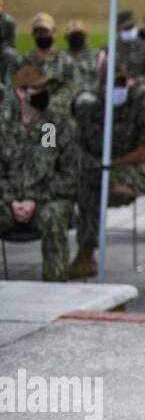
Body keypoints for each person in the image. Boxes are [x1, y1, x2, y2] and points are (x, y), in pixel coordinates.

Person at [67, 62, 145, 280]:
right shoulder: (91, 112)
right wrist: (96, 164)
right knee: (88, 187)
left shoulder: (139, 106)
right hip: (98, 170)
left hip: (131, 168)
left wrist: (111, 163)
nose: (118, 88)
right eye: (112, 84)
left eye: (121, 83)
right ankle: (86, 254)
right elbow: (78, 148)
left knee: (97, 184)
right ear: (100, 88)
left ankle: (86, 252)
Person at [0, 67, 80, 281]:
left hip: (46, 202)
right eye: (36, 89)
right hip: (9, 203)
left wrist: (35, 200)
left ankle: (55, 287)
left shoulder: (52, 128)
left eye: (45, 88)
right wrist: (12, 201)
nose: (43, 93)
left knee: (54, 215)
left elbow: (69, 176)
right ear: (21, 93)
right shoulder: (5, 126)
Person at [18, 13, 77, 114]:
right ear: (33, 35)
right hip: (28, 110)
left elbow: (69, 87)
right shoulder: (25, 60)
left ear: (54, 32)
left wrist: (50, 104)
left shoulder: (65, 60)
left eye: (45, 31)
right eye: (38, 32)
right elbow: (17, 87)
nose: (41, 35)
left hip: (57, 112)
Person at [113, 11, 145, 92]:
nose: (129, 31)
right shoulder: (110, 49)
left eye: (131, 27)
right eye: (126, 28)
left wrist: (136, 81)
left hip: (137, 88)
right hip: (113, 88)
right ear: (118, 30)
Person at [63, 20, 99, 99]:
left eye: (79, 34)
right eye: (73, 35)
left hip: (91, 97)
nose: (76, 37)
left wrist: (85, 91)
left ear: (86, 35)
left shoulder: (97, 55)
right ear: (66, 38)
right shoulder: (61, 57)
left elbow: (102, 81)